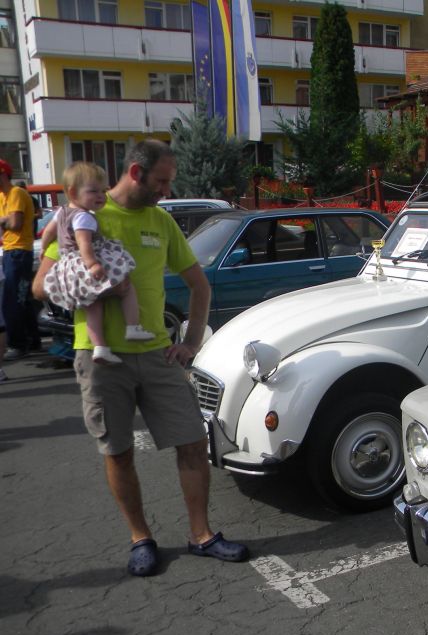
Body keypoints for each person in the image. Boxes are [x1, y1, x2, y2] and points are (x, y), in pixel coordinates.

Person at [32, 140, 249, 577]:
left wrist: (190, 343)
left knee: (192, 440)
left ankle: (201, 535)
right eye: (161, 182)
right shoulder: (79, 214)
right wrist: (95, 285)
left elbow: (199, 286)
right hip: (98, 357)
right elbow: (40, 287)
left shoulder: (160, 221)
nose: (166, 191)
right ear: (135, 172)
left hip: (156, 353)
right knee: (118, 451)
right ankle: (140, 538)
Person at [40, 162, 155, 365]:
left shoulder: (62, 211)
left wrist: (43, 248)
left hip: (69, 265)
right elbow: (84, 243)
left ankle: (100, 347)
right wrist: (93, 264)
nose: (101, 195)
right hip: (85, 262)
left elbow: (48, 231)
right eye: (93, 191)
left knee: (93, 306)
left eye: (103, 190)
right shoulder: (85, 217)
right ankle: (133, 327)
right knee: (126, 283)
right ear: (73, 192)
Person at [1, 159, 40, 360]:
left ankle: (18, 344)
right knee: (21, 298)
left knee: (11, 300)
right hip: (12, 250)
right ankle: (32, 340)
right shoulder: (3, 195)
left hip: (18, 251)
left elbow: (14, 223)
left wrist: (3, 221)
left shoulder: (16, 193)